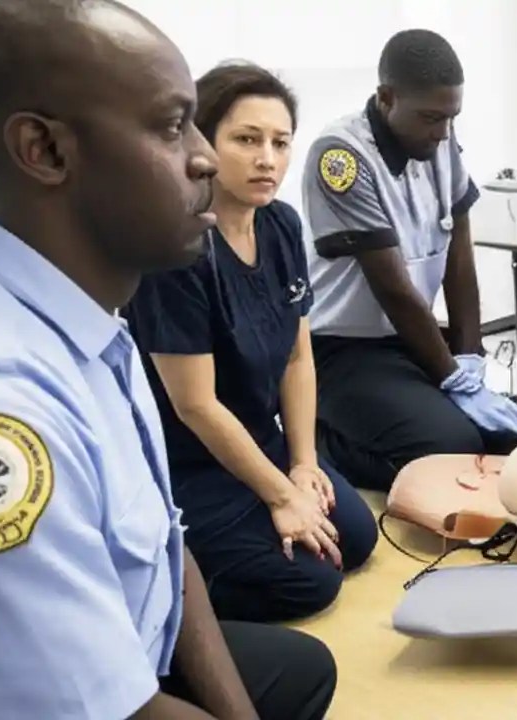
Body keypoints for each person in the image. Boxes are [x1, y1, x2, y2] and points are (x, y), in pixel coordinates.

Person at [0, 2, 336, 719]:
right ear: (45, 152)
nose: (206, 157)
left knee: (301, 671)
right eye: (173, 127)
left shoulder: (93, 317)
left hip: (137, 639)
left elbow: (168, 551)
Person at [123, 61, 378, 624]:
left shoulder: (282, 224)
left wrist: (304, 464)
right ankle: (175, 587)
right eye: (246, 139)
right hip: (187, 464)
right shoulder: (178, 250)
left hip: (262, 440)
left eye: (280, 142)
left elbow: (297, 355)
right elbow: (196, 405)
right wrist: (282, 497)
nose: (268, 158)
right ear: (203, 144)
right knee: (311, 582)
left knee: (356, 538)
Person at [301, 28, 517, 493]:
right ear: (387, 98)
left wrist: (470, 361)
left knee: (510, 440)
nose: (443, 131)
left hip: (407, 341)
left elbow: (459, 255)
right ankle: (315, 438)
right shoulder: (341, 156)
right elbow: (393, 290)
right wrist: (452, 380)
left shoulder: (438, 140)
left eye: (451, 117)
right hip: (344, 349)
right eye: (431, 117)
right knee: (450, 450)